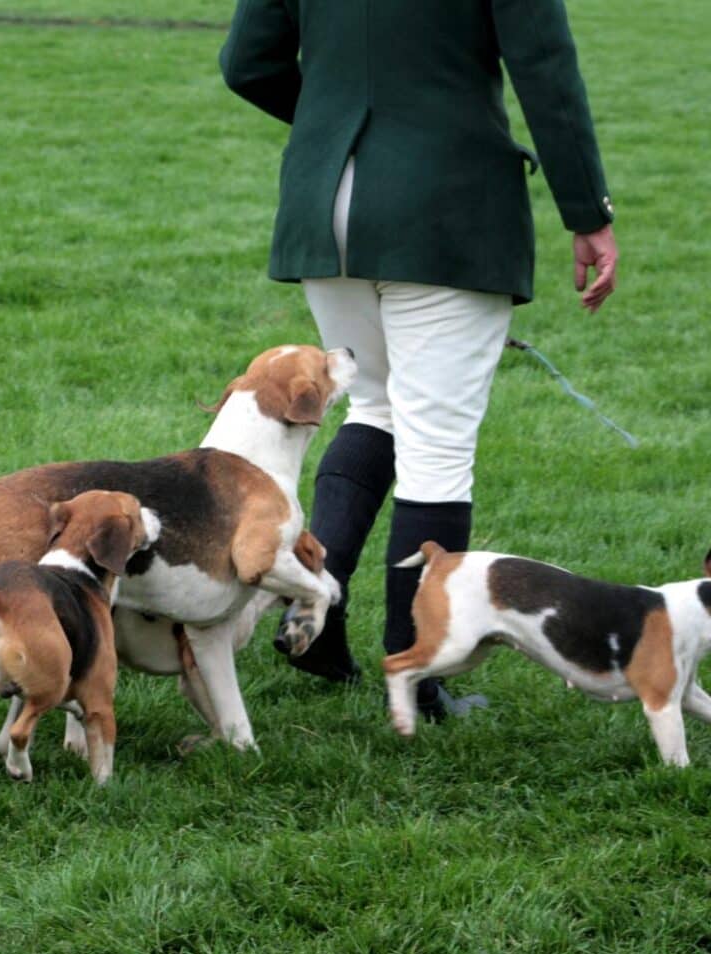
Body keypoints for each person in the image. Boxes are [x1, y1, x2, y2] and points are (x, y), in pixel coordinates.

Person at [219, 1, 618, 720]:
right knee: (435, 441)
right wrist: (587, 209)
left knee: (375, 404)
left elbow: (247, 62)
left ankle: (319, 613)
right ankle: (419, 679)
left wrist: (332, 126)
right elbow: (544, 69)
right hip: (445, 201)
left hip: (323, 200)